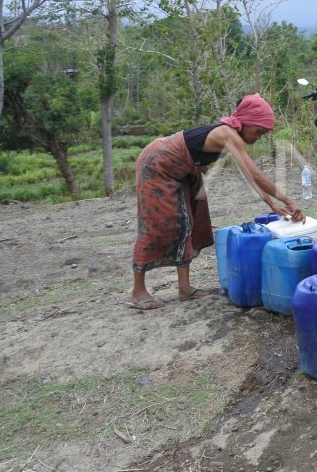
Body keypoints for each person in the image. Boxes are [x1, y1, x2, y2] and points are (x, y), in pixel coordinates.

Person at [129, 94, 302, 310]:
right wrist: (287, 200)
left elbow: (249, 176)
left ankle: (185, 288)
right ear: (245, 123)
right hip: (157, 165)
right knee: (158, 224)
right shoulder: (227, 134)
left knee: (189, 222)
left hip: (184, 170)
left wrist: (272, 205)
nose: (259, 137)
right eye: (258, 131)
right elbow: (256, 174)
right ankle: (138, 291)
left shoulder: (232, 136)